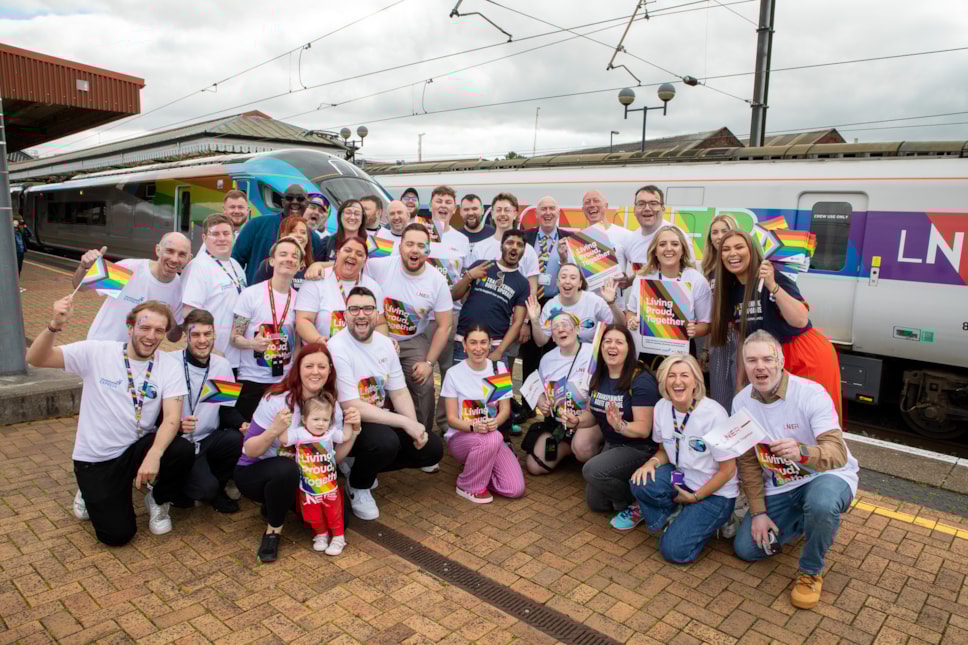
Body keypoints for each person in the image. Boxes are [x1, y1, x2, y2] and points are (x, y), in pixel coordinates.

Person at [27, 298, 193, 546]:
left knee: (182, 449)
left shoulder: (168, 364)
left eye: (159, 330)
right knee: (117, 536)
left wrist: (155, 454)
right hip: (96, 459)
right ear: (130, 328)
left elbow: (172, 417)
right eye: (145, 328)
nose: (151, 336)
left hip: (136, 448)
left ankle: (157, 498)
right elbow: (37, 359)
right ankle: (89, 491)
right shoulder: (97, 351)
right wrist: (54, 326)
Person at [732, 330, 858, 609]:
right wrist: (759, 513)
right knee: (747, 550)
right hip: (782, 484)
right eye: (751, 360)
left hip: (826, 475)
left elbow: (836, 454)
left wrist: (802, 452)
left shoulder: (811, 394)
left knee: (822, 504)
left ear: (780, 360)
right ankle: (807, 522)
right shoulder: (741, 402)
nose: (760, 367)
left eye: (767, 358)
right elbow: (749, 463)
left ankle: (811, 571)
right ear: (744, 365)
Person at [328, 287, 443, 519]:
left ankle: (360, 463)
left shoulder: (385, 344)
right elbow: (351, 405)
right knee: (385, 442)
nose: (361, 314)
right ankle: (359, 484)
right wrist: (404, 423)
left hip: (380, 417)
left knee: (432, 449)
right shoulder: (337, 346)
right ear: (345, 314)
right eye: (355, 309)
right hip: (349, 423)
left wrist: (413, 427)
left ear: (377, 313)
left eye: (368, 308)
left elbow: (399, 392)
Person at [711, 229, 843, 425]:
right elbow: (743, 340)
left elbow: (800, 320)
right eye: (726, 249)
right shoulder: (732, 291)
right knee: (778, 424)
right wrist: (740, 383)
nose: (732, 253)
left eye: (739, 247)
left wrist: (773, 286)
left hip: (802, 353)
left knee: (810, 421)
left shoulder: (774, 277)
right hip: (769, 360)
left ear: (752, 250)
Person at [621, 354, 738, 563]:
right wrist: (651, 463)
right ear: (664, 381)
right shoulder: (662, 407)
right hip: (681, 477)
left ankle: (709, 519)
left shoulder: (715, 414)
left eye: (685, 375)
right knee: (639, 482)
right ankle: (675, 516)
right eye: (671, 376)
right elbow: (664, 451)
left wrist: (696, 497)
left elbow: (727, 471)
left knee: (674, 552)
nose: (677, 381)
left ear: (696, 381)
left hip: (715, 493)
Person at [234, 343, 345, 562]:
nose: (315, 372)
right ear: (298, 369)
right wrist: (273, 430)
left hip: (307, 480)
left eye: (321, 367)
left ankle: (275, 503)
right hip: (256, 472)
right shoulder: (276, 400)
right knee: (286, 469)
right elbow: (249, 450)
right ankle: (273, 531)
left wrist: (355, 430)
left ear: (330, 370)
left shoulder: (330, 405)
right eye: (309, 366)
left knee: (343, 521)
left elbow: (332, 459)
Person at [558, 325, 659, 515]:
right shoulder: (599, 375)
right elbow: (593, 415)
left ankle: (633, 500)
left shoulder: (640, 379)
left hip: (638, 447)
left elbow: (644, 429)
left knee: (592, 471)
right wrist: (577, 421)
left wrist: (620, 425)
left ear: (629, 348)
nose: (612, 346)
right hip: (613, 444)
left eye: (619, 342)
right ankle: (629, 485)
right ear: (601, 346)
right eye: (607, 341)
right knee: (596, 503)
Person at [364, 224, 453, 433]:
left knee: (425, 383)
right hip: (376, 336)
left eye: (421, 246)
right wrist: (320, 265)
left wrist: (429, 363)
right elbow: (346, 262)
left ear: (428, 251)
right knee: (371, 383)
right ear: (400, 246)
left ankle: (422, 438)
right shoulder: (379, 265)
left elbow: (444, 326)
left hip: (413, 340)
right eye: (409, 244)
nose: (415, 250)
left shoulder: (437, 280)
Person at [167, 309, 245, 513]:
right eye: (195, 335)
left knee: (235, 439)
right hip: (178, 442)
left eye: (207, 334)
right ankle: (171, 484)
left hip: (206, 440)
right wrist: (177, 426)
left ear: (214, 335)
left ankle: (214, 487)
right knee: (200, 490)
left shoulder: (222, 365)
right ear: (186, 337)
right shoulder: (169, 363)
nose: (202, 340)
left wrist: (242, 424)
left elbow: (226, 411)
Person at [440, 325, 525, 503]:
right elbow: (451, 419)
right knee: (493, 438)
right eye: (473, 342)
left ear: (490, 344)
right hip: (462, 437)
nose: (478, 348)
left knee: (515, 489)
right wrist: (473, 426)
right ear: (464, 345)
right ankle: (468, 485)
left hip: (491, 435)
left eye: (483, 342)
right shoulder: (454, 374)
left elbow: (505, 410)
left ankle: (480, 470)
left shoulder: (498, 368)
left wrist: (496, 422)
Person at [231, 237, 302, 420]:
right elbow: (234, 337)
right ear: (272, 261)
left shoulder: (301, 300)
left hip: (283, 382)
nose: (289, 259)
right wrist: (251, 343)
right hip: (252, 380)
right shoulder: (251, 294)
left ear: (300, 265)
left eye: (294, 256)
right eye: (283, 254)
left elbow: (299, 342)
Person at [280, 393, 361, 555]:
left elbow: (345, 436)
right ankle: (321, 534)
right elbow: (284, 440)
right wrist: (280, 424)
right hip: (308, 488)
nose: (320, 424)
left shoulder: (330, 432)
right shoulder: (299, 433)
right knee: (313, 514)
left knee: (334, 513)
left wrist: (349, 421)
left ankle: (338, 537)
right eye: (316, 419)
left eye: (325, 420)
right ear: (304, 419)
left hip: (329, 487)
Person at [516, 196, 572, 424]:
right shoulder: (525, 237)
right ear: (536, 215)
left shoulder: (569, 239)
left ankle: (554, 406)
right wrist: (526, 322)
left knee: (554, 357)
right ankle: (529, 405)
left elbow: (577, 272)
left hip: (557, 303)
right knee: (529, 359)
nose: (547, 213)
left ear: (558, 212)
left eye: (552, 209)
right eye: (543, 210)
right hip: (530, 302)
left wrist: (565, 257)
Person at [521, 311, 597, 475]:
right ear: (553, 337)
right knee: (535, 466)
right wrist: (542, 402)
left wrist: (580, 420)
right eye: (555, 327)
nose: (561, 329)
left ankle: (593, 453)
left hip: (589, 421)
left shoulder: (593, 353)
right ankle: (568, 449)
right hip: (559, 424)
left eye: (565, 324)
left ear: (577, 330)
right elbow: (539, 390)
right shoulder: (547, 360)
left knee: (583, 447)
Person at [79, 232, 191, 343]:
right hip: (100, 347)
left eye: (182, 254)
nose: (174, 259)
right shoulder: (130, 268)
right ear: (158, 250)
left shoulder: (180, 289)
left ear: (188, 259)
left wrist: (170, 318)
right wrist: (84, 267)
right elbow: (81, 287)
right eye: (169, 251)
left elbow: (174, 337)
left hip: (136, 358)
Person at [626, 225, 713, 367]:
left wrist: (694, 330)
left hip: (681, 355)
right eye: (662, 244)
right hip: (647, 352)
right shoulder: (643, 277)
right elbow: (631, 312)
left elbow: (706, 325)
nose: (668, 248)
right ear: (655, 251)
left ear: (683, 250)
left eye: (675, 244)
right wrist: (632, 321)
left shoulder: (696, 279)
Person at [451, 229, 530, 364]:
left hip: (495, 346)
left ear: (523, 250)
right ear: (501, 246)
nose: (514, 247)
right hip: (464, 342)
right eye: (510, 243)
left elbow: (517, 322)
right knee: (462, 384)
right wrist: (470, 276)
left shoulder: (523, 283)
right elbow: (454, 295)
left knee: (499, 386)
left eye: (519, 245)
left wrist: (500, 350)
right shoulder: (481, 265)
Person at [180, 214, 246, 368]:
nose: (221, 238)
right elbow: (189, 314)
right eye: (215, 234)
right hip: (209, 358)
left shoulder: (236, 265)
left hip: (235, 358)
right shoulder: (198, 266)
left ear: (233, 236)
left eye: (226, 233)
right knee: (213, 393)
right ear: (204, 238)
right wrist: (211, 350)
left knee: (231, 393)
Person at [295, 235, 387, 344]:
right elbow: (303, 320)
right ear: (338, 254)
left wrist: (381, 345)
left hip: (360, 353)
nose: (352, 256)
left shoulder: (373, 287)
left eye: (359, 254)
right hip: (323, 353)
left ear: (364, 260)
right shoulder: (316, 280)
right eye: (347, 250)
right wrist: (319, 341)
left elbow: (380, 324)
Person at [233, 184, 325, 283]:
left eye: (300, 199)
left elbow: (319, 268)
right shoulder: (257, 225)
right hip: (258, 294)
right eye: (289, 198)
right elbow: (235, 261)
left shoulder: (313, 238)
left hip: (295, 296)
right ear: (282, 202)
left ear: (307, 203)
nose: (294, 202)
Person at [529, 263, 622, 347]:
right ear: (557, 282)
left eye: (573, 278)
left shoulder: (594, 301)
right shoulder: (550, 306)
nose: (567, 281)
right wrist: (534, 320)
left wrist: (612, 303)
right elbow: (541, 342)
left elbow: (620, 326)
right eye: (563, 277)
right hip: (563, 355)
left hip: (591, 357)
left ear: (580, 283)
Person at [699, 214, 738, 410]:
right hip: (717, 336)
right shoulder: (708, 269)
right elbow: (710, 312)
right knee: (720, 395)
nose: (719, 236)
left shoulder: (739, 264)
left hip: (740, 334)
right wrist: (705, 349)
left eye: (725, 230)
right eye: (714, 232)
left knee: (742, 394)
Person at [616, 186, 684, 288]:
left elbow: (689, 275)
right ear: (634, 210)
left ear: (663, 208)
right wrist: (628, 281)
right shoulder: (630, 240)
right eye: (641, 204)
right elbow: (643, 272)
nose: (647, 208)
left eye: (653, 203)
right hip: (642, 302)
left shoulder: (678, 238)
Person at [581, 190, 630, 298]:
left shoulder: (625, 235)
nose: (592, 205)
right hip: (588, 305)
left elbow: (642, 269)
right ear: (583, 209)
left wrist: (628, 281)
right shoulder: (578, 240)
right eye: (587, 202)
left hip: (615, 305)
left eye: (596, 201)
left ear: (606, 205)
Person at [252, 215, 313, 290]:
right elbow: (255, 293)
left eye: (303, 232)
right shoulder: (270, 265)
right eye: (293, 231)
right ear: (283, 236)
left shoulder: (311, 267)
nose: (299, 235)